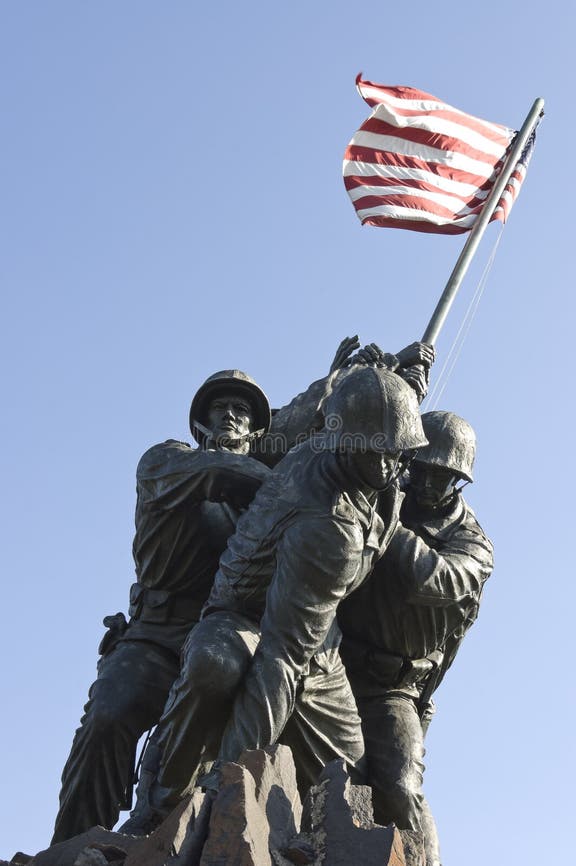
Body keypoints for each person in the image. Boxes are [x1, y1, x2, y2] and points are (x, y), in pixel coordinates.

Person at [51, 337, 367, 844]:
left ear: (259, 427)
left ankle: (173, 816)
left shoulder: (273, 485)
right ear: (199, 423)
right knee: (108, 716)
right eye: (219, 408)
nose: (230, 417)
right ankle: (71, 844)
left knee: (227, 683)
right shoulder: (166, 462)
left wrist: (338, 394)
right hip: (155, 635)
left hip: (228, 629)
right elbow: (223, 470)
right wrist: (292, 463)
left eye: (242, 411)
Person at [124, 365, 429, 830]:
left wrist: (390, 381)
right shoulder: (326, 525)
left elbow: (317, 416)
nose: (392, 466)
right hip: (246, 621)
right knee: (214, 664)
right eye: (380, 451)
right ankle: (163, 802)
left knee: (355, 782)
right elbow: (280, 661)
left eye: (399, 451)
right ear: (349, 445)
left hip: (321, 645)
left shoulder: (368, 468)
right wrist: (227, 794)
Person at [338, 411, 494, 866]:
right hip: (332, 664)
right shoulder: (383, 492)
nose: (425, 483)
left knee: (400, 787)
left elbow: (434, 580)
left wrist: (385, 520)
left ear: (460, 482)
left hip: (394, 688)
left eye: (440, 476)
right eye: (419, 468)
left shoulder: (473, 543)